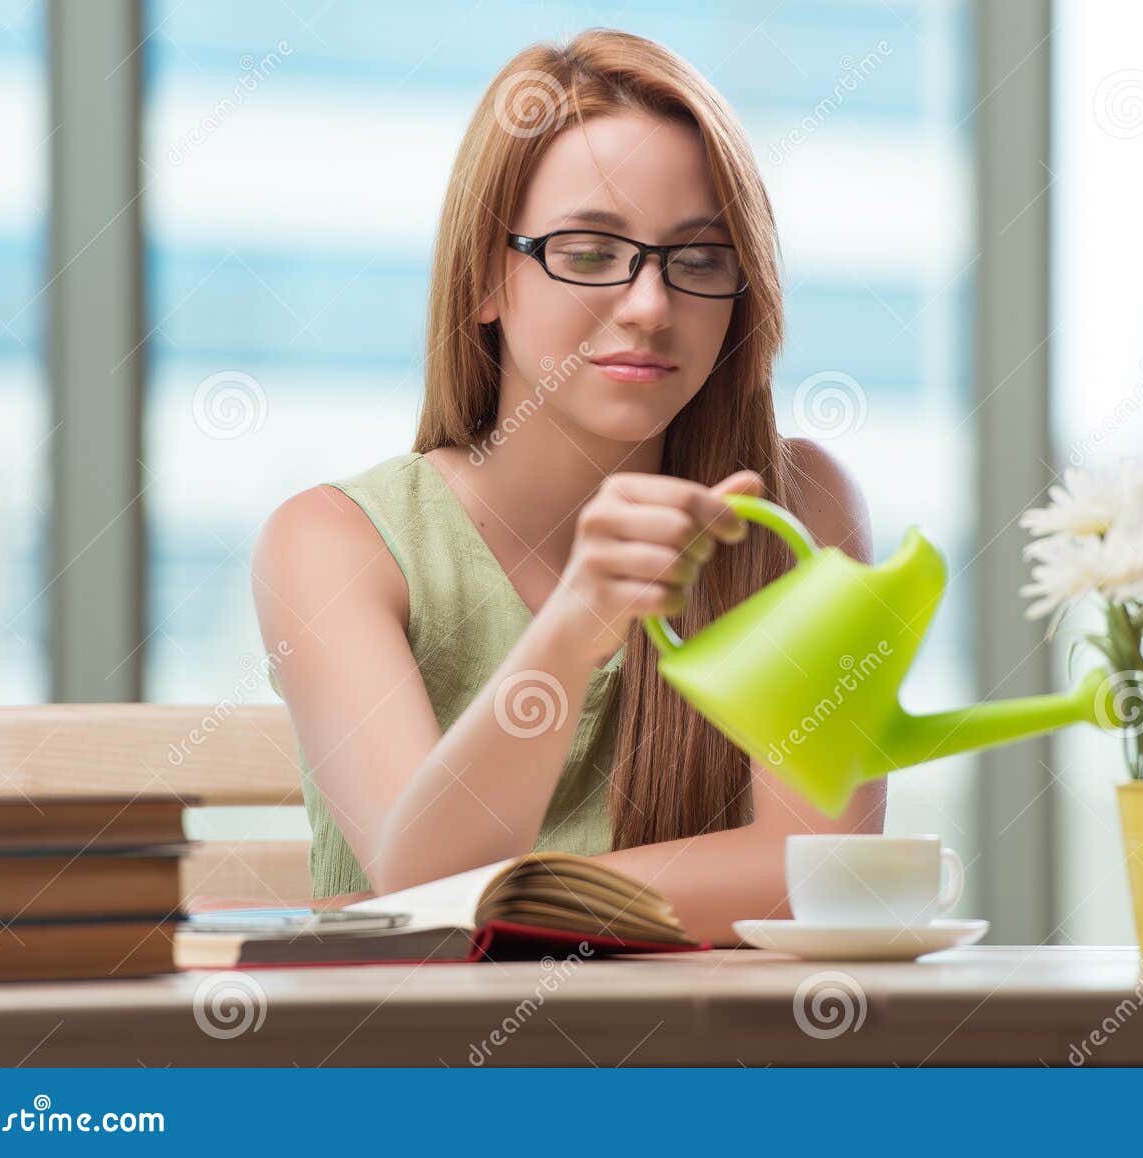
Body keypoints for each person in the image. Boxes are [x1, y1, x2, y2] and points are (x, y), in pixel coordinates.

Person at [252, 28, 883, 945]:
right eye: (588, 251)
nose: (649, 306)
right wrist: (576, 623)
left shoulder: (797, 511)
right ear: (485, 280)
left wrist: (485, 901)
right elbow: (424, 879)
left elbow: (827, 873)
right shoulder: (331, 544)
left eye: (697, 259)